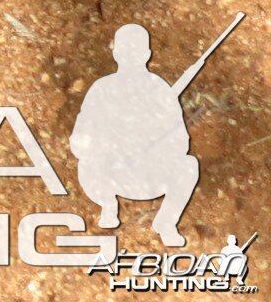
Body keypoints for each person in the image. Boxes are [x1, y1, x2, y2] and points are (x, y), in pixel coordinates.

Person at [72, 23, 203, 247]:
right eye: (127, 51)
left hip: (150, 174)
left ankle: (166, 221)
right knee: (87, 161)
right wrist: (111, 143)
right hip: (110, 173)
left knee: (188, 165)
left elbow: (181, 142)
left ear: (146, 55)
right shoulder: (102, 89)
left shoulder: (160, 90)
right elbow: (80, 140)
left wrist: (152, 141)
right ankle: (108, 205)